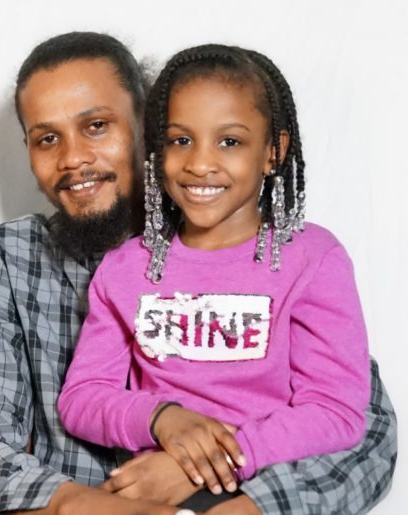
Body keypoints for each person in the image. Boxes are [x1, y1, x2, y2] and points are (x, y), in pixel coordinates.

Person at [0, 32, 397, 515]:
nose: (72, 157)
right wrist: (151, 437)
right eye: (47, 138)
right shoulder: (45, 260)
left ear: (145, 129)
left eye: (96, 125)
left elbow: (351, 420)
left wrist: (220, 478)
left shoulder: (305, 258)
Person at [56, 43, 369, 511]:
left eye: (230, 141)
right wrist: (161, 418)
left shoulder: (312, 259)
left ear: (272, 151)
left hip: (265, 488)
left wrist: (205, 463)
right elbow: (82, 398)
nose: (200, 163)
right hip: (147, 488)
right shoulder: (125, 268)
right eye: (181, 140)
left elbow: (335, 410)